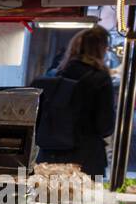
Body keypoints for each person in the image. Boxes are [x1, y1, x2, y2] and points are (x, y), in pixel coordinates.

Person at [35, 25, 115, 178]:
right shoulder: (100, 79)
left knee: (47, 199)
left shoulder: (53, 75)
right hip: (86, 161)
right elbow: (106, 126)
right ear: (102, 48)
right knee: (83, 201)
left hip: (49, 157)